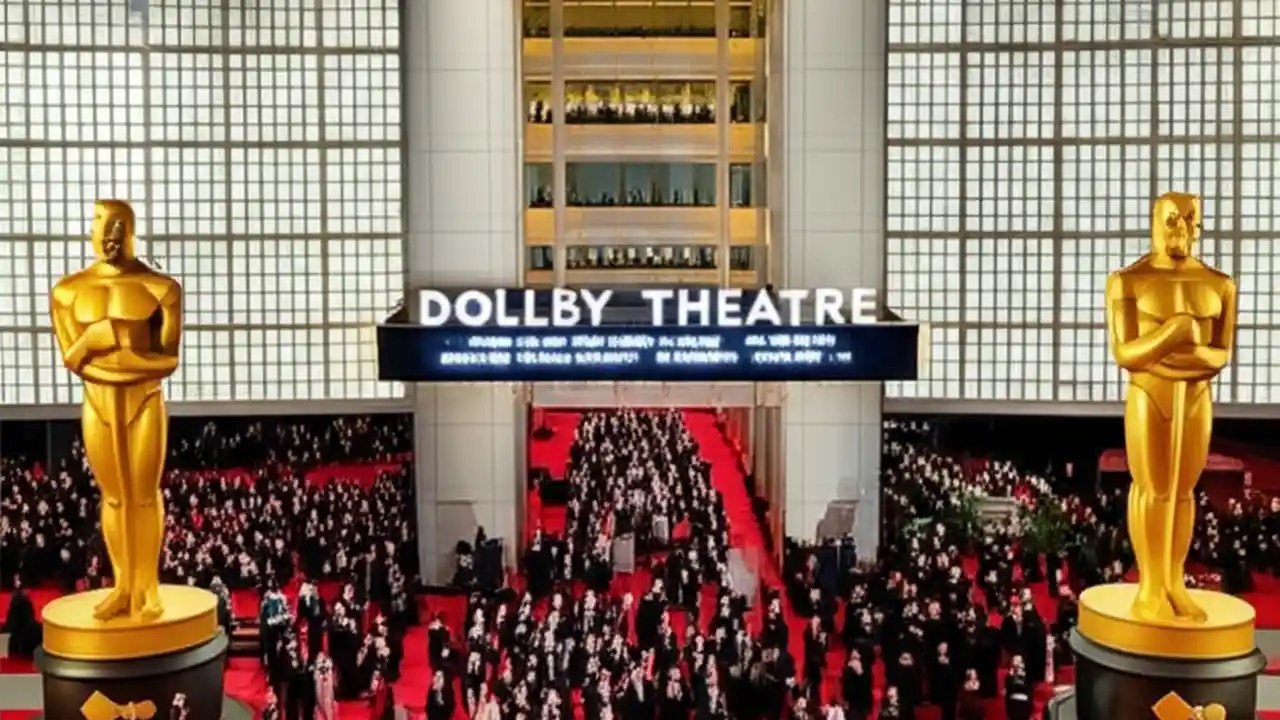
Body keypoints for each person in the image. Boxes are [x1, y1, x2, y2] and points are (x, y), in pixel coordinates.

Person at [314, 653, 337, 720]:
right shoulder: (318, 659)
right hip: (320, 682)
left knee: (329, 702)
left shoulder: (329, 660)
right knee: (320, 702)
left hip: (328, 683)